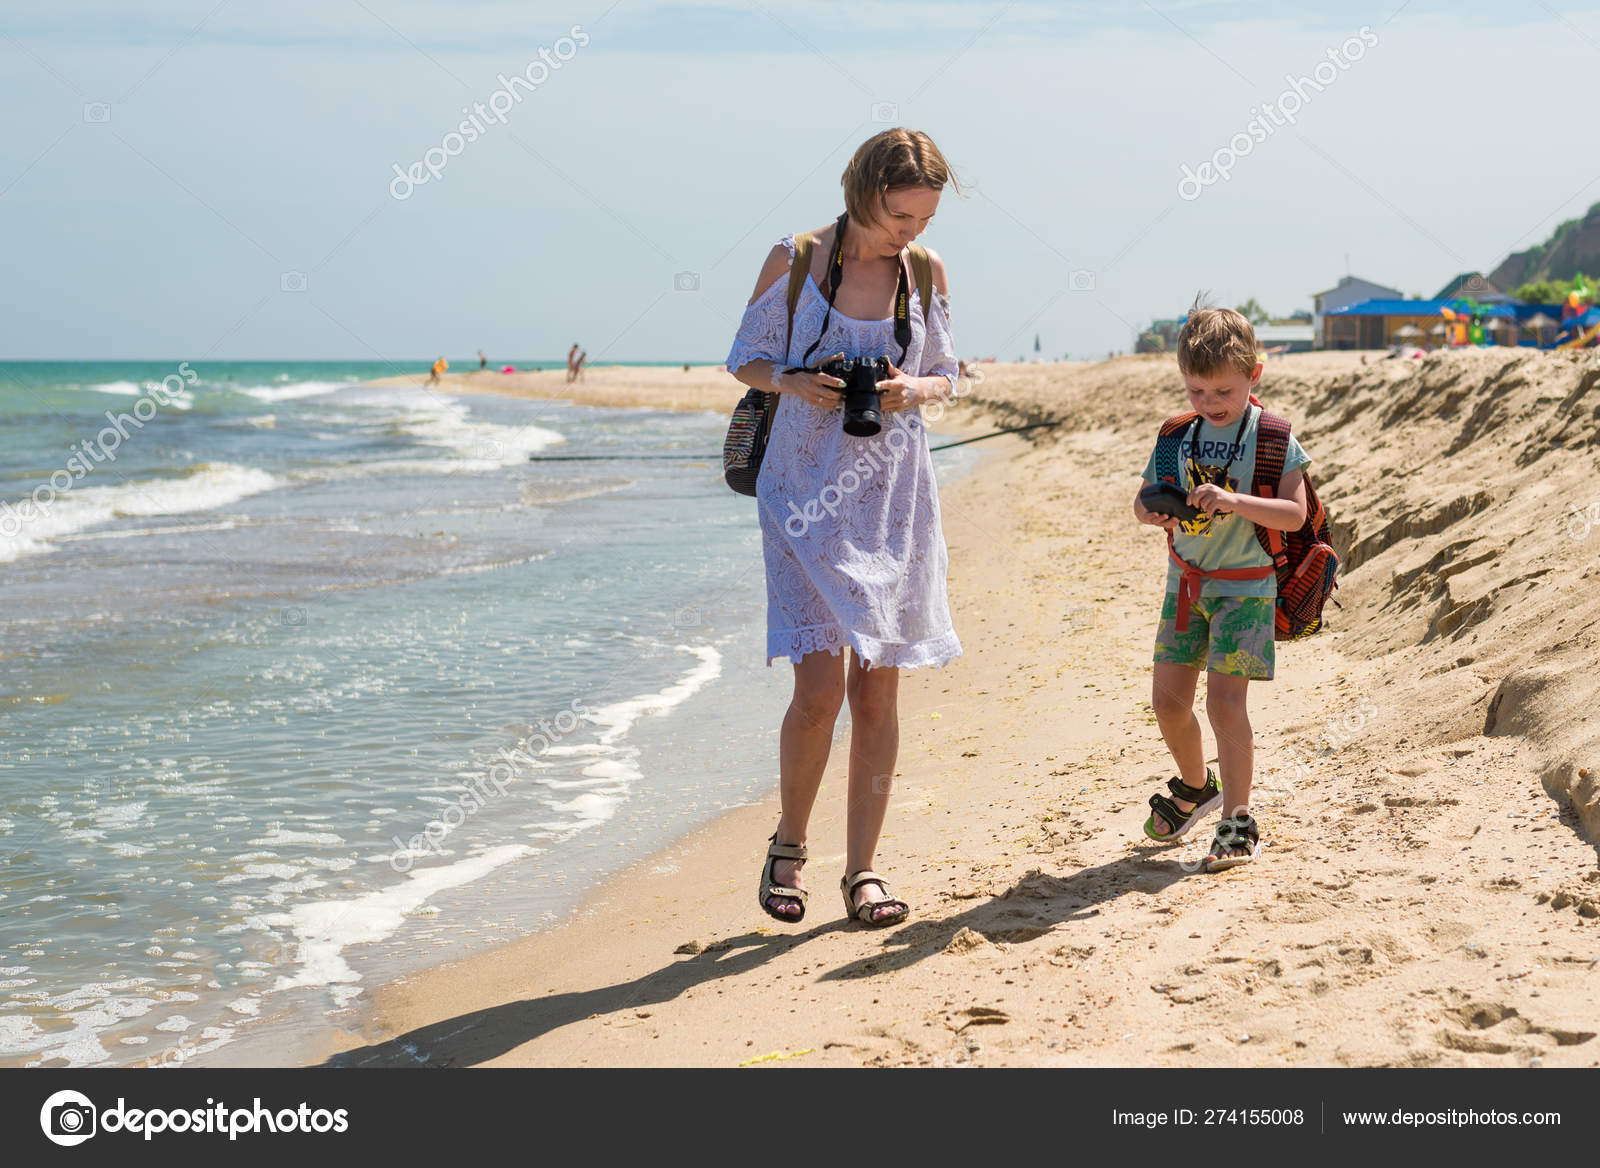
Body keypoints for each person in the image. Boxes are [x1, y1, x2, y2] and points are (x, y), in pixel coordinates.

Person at [724, 128, 962, 927]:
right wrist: (793, 380)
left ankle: (863, 872)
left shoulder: (923, 273)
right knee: (820, 688)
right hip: (801, 496)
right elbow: (743, 359)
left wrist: (911, 390)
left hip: (894, 496)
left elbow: (950, 375)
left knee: (880, 692)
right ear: (863, 192)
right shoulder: (794, 261)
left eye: (923, 219)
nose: (910, 233)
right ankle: (789, 847)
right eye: (900, 216)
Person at [1131, 302, 1312, 871]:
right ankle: (1194, 786)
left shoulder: (1273, 436)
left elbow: (1293, 515)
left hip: (1247, 590)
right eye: (1196, 391)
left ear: (1254, 374)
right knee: (1167, 703)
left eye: (1222, 393)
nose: (1208, 403)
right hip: (1185, 587)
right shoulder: (1175, 435)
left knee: (1225, 705)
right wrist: (1157, 510)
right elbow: (1141, 502)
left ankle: (1237, 819)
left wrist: (1234, 502)